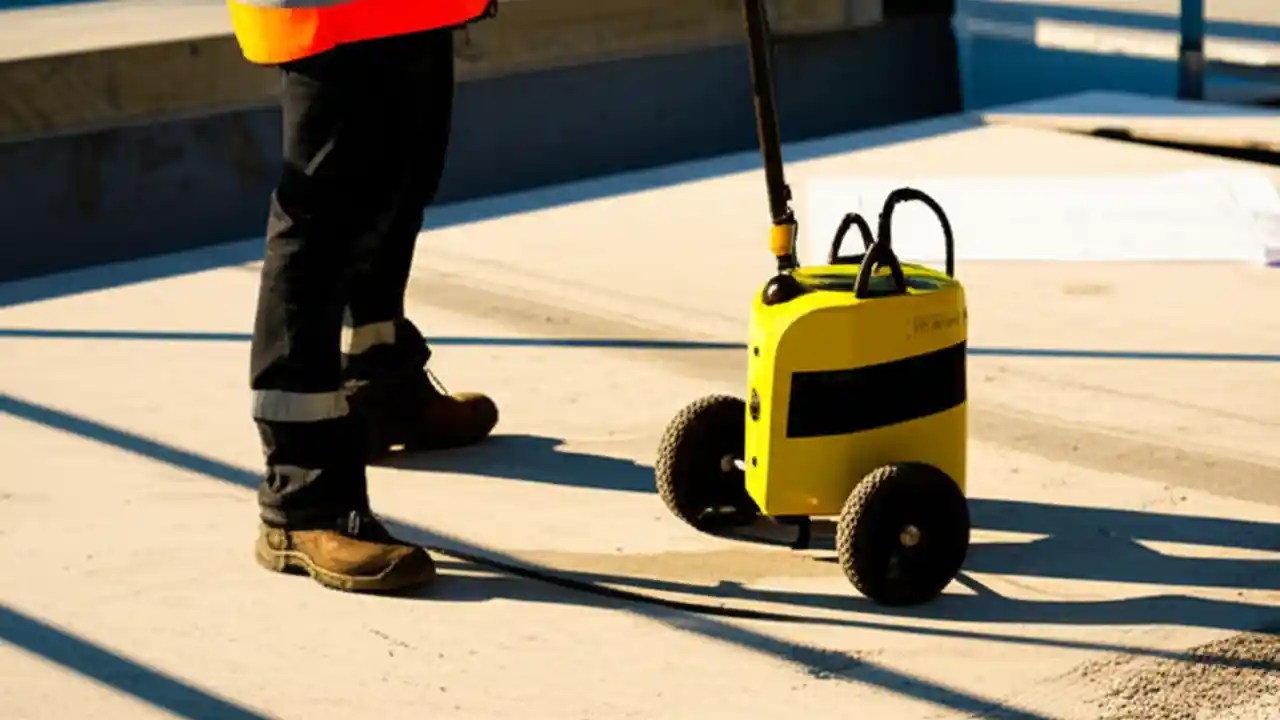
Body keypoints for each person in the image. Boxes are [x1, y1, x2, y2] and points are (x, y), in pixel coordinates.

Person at [225, 0, 500, 593]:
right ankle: (303, 497)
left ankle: (378, 383)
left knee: (398, 185)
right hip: (330, 12)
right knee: (324, 215)